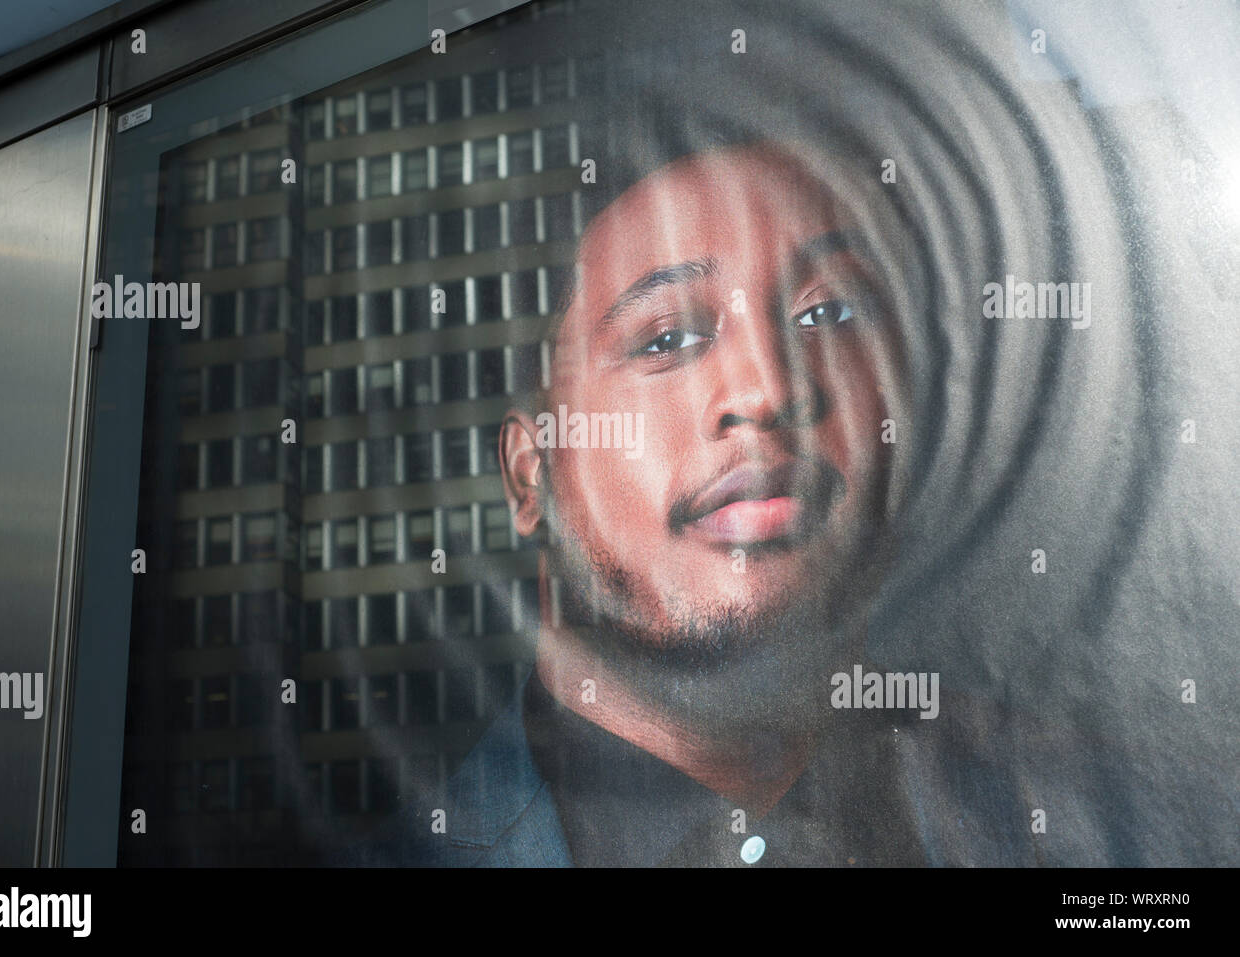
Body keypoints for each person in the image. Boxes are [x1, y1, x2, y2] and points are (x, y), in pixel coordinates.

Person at [377, 139, 1079, 867]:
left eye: (828, 312)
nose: (768, 391)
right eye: (668, 336)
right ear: (532, 477)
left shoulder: (1086, 816)